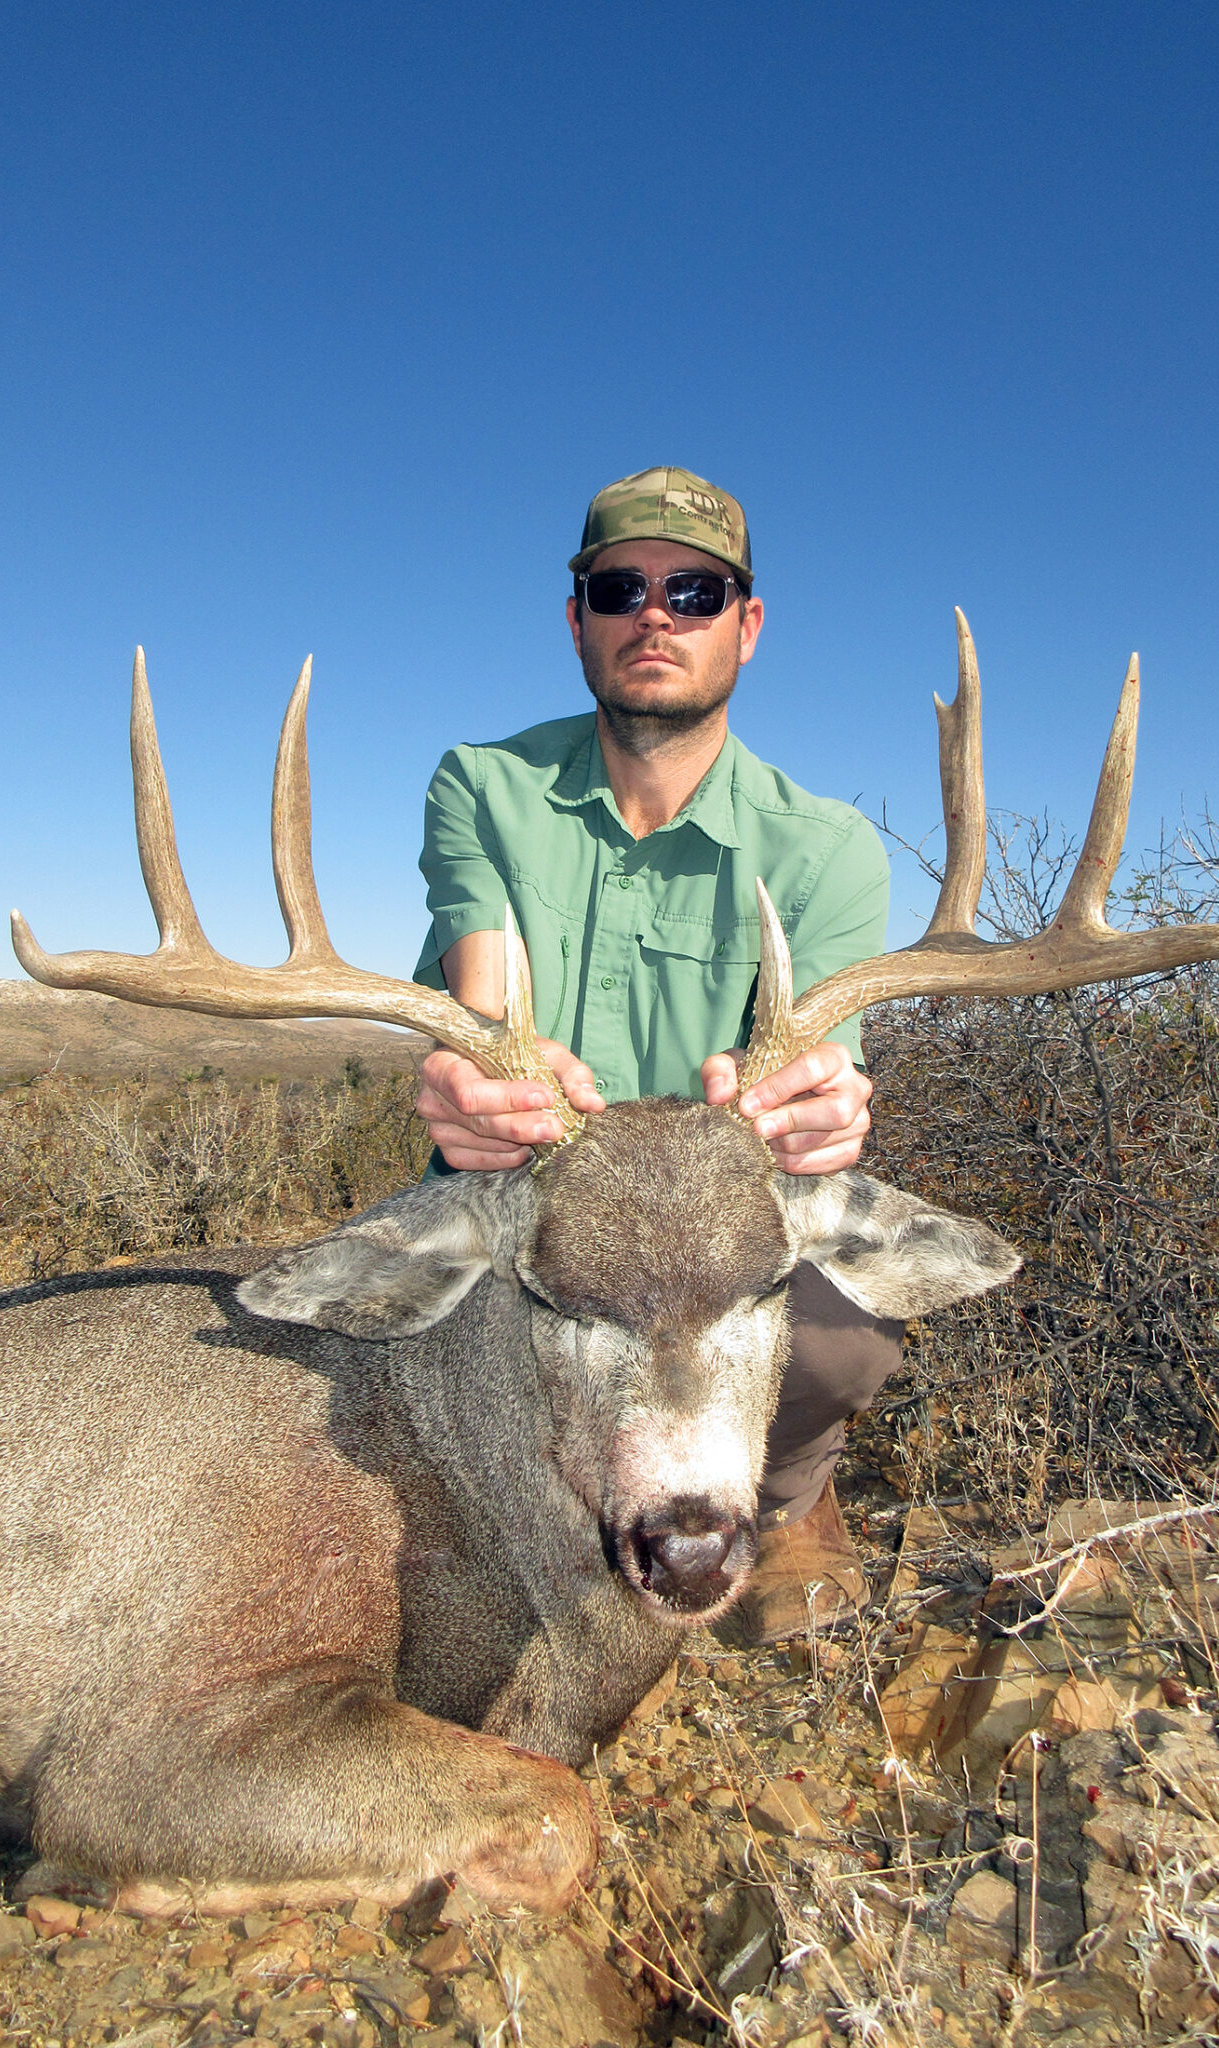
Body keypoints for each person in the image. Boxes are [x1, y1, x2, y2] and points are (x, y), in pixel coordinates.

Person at [411, 466, 903, 1642]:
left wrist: (822, 1110)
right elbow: (486, 1002)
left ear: (748, 622)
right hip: (536, 1195)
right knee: (411, 1347)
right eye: (620, 586)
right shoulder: (482, 784)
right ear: (576, 615)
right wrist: (470, 1089)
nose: (656, 615)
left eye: (695, 589)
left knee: (838, 1337)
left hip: (713, 1212)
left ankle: (777, 1502)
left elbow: (813, 1067)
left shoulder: (828, 849)